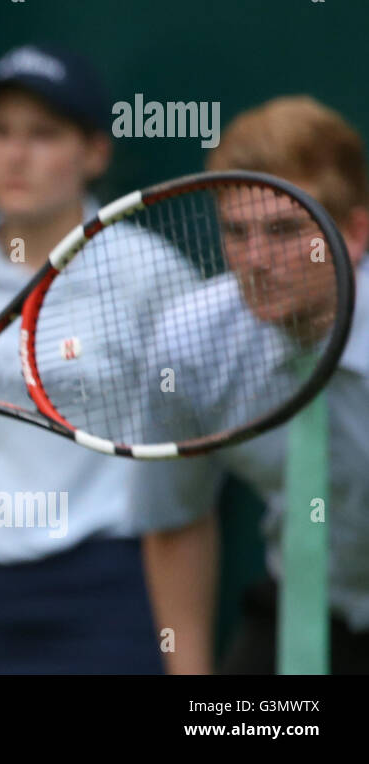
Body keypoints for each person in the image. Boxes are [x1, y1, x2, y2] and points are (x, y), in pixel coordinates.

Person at [0, 44, 165, 673]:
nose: (15, 155)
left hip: (109, 577)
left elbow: (183, 455)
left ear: (95, 153)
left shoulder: (149, 271)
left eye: (43, 134)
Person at [138, 95, 369, 674]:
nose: (256, 260)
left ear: (356, 231)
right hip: (307, 607)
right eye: (237, 232)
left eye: (286, 229)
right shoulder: (189, 343)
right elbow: (176, 521)